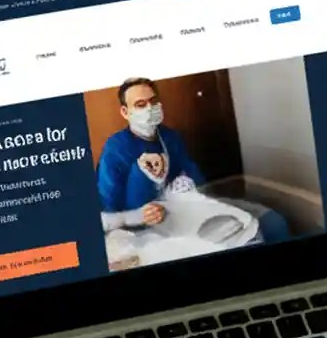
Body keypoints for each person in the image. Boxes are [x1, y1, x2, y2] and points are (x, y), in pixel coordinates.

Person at [96, 77, 289, 243]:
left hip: (186, 207)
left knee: (273, 223)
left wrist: (189, 184)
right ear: (125, 112)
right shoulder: (115, 150)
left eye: (153, 101)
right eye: (140, 104)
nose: (149, 108)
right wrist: (137, 216)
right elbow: (105, 216)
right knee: (233, 238)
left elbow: (197, 178)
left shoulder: (170, 137)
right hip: (149, 226)